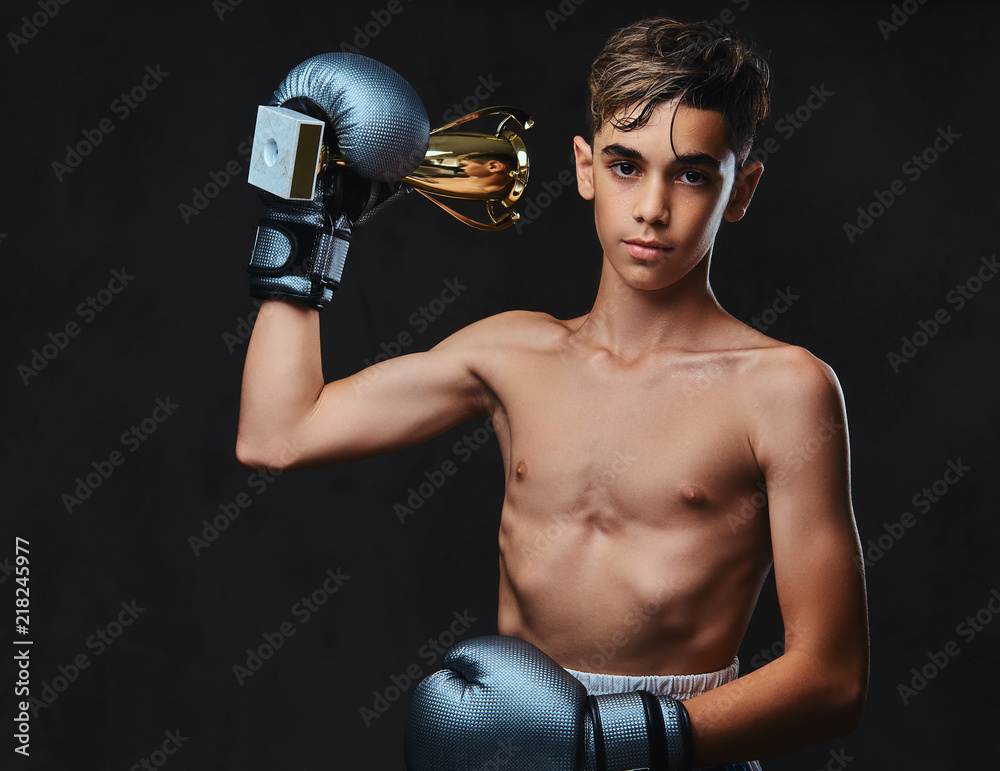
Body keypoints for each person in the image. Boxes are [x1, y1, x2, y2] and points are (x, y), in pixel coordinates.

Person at [237, 17, 868, 770]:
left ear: (742, 189)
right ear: (584, 167)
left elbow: (833, 680)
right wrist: (307, 219)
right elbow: (276, 433)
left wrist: (606, 746)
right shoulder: (511, 354)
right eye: (626, 165)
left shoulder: (785, 389)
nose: (653, 208)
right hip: (510, 748)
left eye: (693, 173)